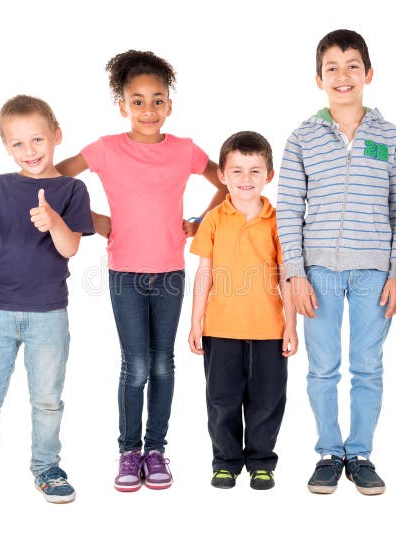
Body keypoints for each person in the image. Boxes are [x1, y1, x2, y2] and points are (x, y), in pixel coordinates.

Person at [56, 50, 227, 492]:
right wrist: (95, 222)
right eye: (137, 101)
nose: (148, 110)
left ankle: (156, 450)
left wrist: (201, 224)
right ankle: (128, 452)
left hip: (170, 271)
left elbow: (226, 180)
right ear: (123, 106)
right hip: (125, 273)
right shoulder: (106, 149)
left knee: (164, 365)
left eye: (157, 100)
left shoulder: (185, 150)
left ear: (169, 105)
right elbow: (57, 178)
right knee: (134, 366)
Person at [277, 28, 396, 495]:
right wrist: (295, 273)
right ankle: (328, 453)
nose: (342, 75)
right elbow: (290, 210)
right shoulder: (302, 138)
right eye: (331, 67)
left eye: (352, 65)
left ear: (368, 73)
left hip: (375, 272)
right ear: (318, 79)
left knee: (368, 366)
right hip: (318, 273)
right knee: (322, 368)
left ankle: (360, 454)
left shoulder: (391, 138)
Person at [0, 95, 94, 514]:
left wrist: (54, 221)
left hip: (48, 314)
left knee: (47, 398)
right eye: (18, 144)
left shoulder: (71, 189)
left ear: (56, 136)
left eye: (37, 140)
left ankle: (47, 468)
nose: (30, 152)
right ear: (6, 147)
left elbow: (70, 249)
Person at [188, 131, 298, 491]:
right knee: (222, 400)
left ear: (269, 175)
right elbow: (204, 272)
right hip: (220, 328)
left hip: (268, 329)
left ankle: (261, 461)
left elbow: (286, 278)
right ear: (222, 175)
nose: (246, 179)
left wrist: (291, 326)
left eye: (255, 171)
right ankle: (226, 461)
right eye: (237, 171)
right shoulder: (215, 220)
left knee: (267, 400)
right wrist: (195, 322)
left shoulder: (279, 221)